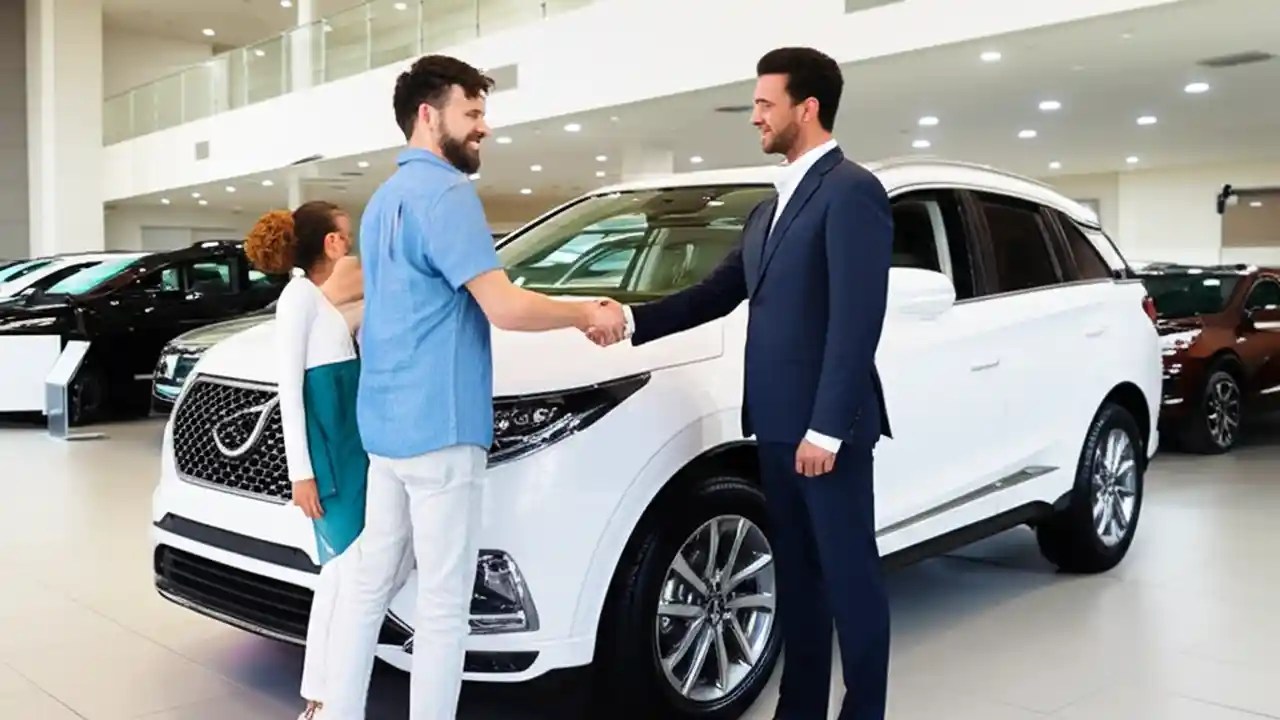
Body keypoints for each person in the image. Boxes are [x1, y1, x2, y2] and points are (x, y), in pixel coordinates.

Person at [589, 46, 894, 720]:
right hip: (777, 429)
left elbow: (855, 322)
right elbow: (713, 293)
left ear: (806, 108)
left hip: (826, 434)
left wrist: (825, 428)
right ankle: (800, 709)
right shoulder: (769, 208)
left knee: (851, 584)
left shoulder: (852, 192)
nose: (754, 116)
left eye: (765, 104)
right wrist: (630, 320)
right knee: (800, 582)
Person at [321, 54, 626, 720]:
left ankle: (338, 711)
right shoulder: (447, 194)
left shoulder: (382, 202)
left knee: (372, 584)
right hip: (440, 429)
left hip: (387, 429)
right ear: (430, 115)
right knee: (443, 606)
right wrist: (584, 314)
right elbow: (503, 306)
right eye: (474, 112)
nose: (484, 127)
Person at [243, 201, 407, 720]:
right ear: (331, 244)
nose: (351, 245)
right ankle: (320, 697)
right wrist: (301, 474)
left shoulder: (316, 298)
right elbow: (288, 390)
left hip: (348, 446)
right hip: (328, 453)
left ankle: (324, 694)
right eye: (346, 237)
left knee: (349, 572)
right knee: (340, 574)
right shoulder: (296, 300)